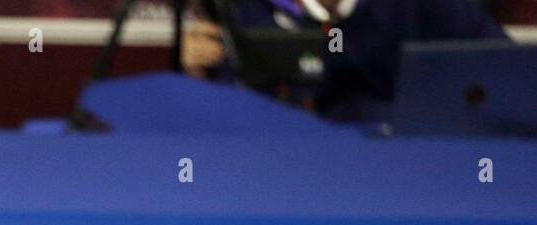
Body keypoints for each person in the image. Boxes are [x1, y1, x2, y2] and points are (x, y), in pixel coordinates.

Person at [183, 0, 510, 121]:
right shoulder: (238, 9)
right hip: (268, 174)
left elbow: (505, 67)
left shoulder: (425, 6)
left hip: (394, 176)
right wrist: (193, 75)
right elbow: (223, 111)